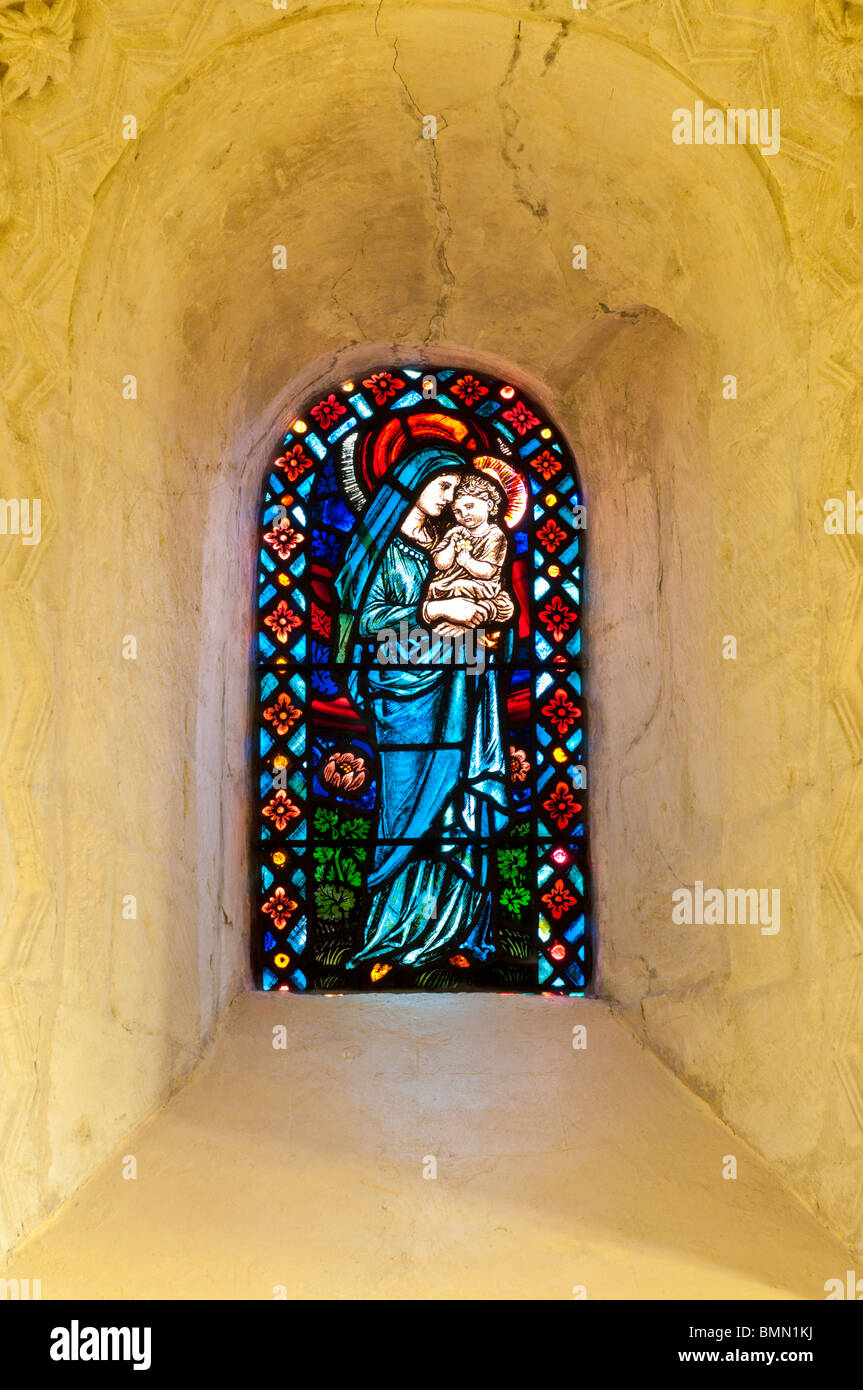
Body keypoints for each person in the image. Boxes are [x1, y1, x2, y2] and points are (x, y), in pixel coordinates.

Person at [333, 447, 513, 970]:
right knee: (404, 808)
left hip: (457, 679)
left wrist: (487, 609)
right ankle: (390, 931)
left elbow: (496, 598)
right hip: (402, 687)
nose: (453, 497)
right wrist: (439, 608)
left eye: (460, 489)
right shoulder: (383, 548)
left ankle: (454, 930)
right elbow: (366, 620)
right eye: (444, 486)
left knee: (457, 804)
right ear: (415, 483)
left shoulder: (450, 542)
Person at [426, 473, 508, 616]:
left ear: (489, 505)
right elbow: (439, 564)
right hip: (448, 582)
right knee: (432, 587)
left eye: (469, 506)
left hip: (482, 586)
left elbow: (488, 572)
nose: (464, 514)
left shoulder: (495, 535)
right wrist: (451, 546)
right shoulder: (455, 532)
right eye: (457, 511)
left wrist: (467, 562)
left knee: (458, 586)